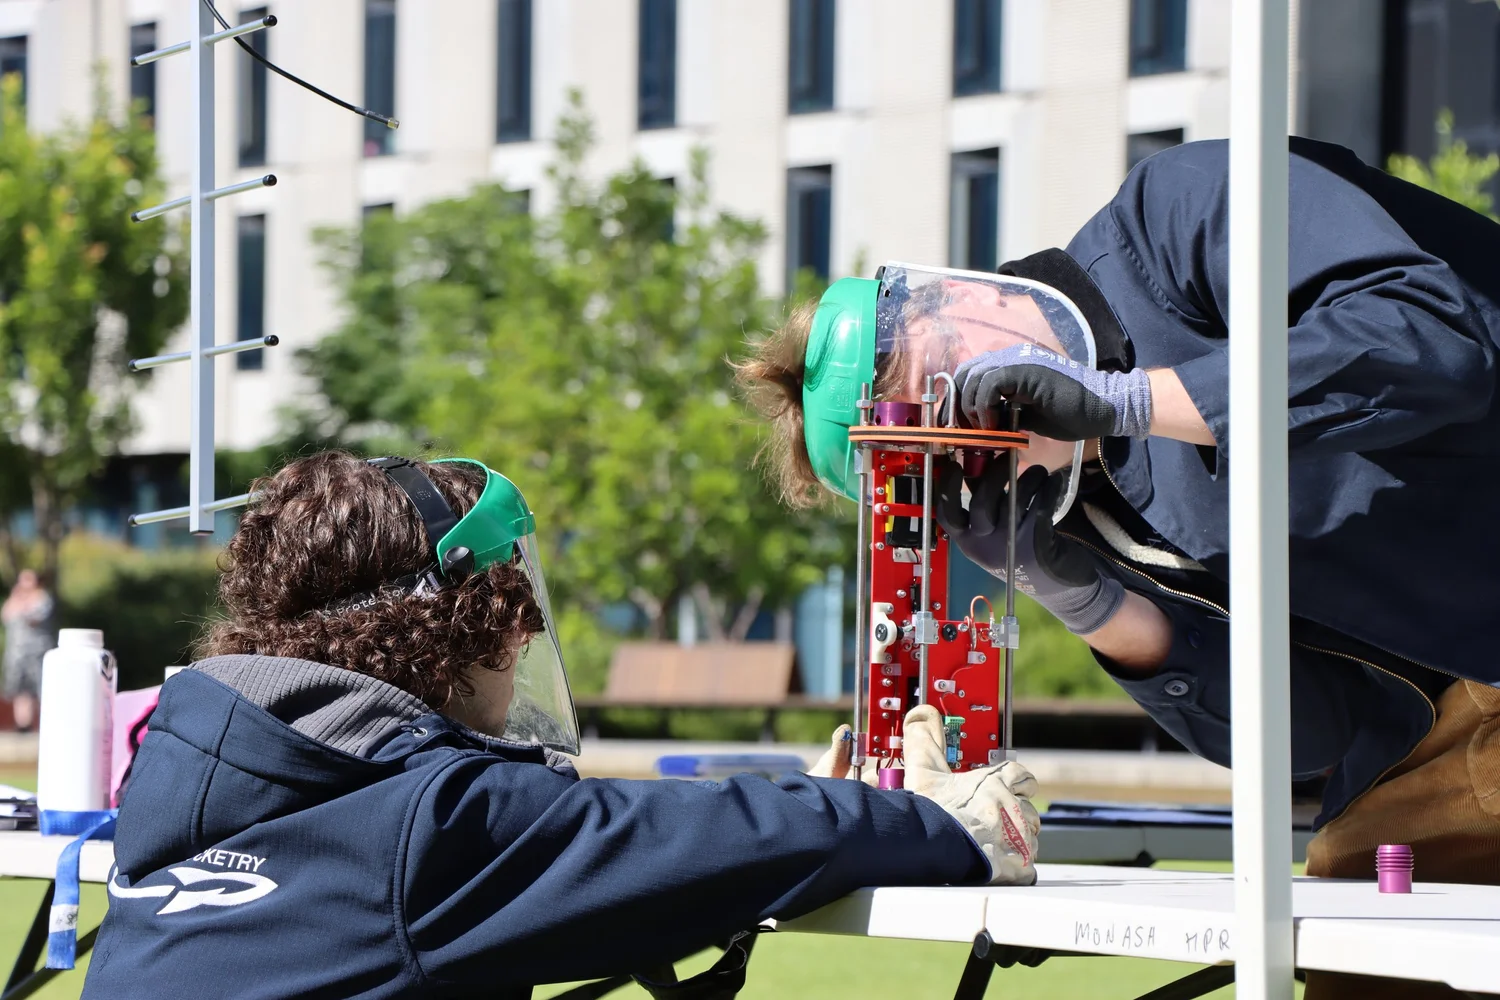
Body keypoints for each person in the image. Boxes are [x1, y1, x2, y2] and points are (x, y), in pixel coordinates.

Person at [737, 137, 1500, 1000]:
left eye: (941, 403)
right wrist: (1082, 598)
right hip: (1445, 723)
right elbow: (1311, 737)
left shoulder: (1176, 213)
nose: (970, 460)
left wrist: (1136, 403)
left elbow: (1434, 338)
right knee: (1363, 969)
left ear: (958, 307)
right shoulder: (1073, 499)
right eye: (935, 470)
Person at [81, 451, 1041, 1000]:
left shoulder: (189, 783)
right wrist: (945, 824)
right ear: (461, 627)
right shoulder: (427, 832)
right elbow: (689, 839)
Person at [2, 569, 53, 732]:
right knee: (19, 690)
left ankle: (45, 724)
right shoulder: (14, 599)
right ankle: (23, 726)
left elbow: (34, 618)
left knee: (40, 689)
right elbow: (6, 615)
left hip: (37, 652)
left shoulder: (43, 598)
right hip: (16, 654)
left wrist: (22, 601)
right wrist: (16, 599)